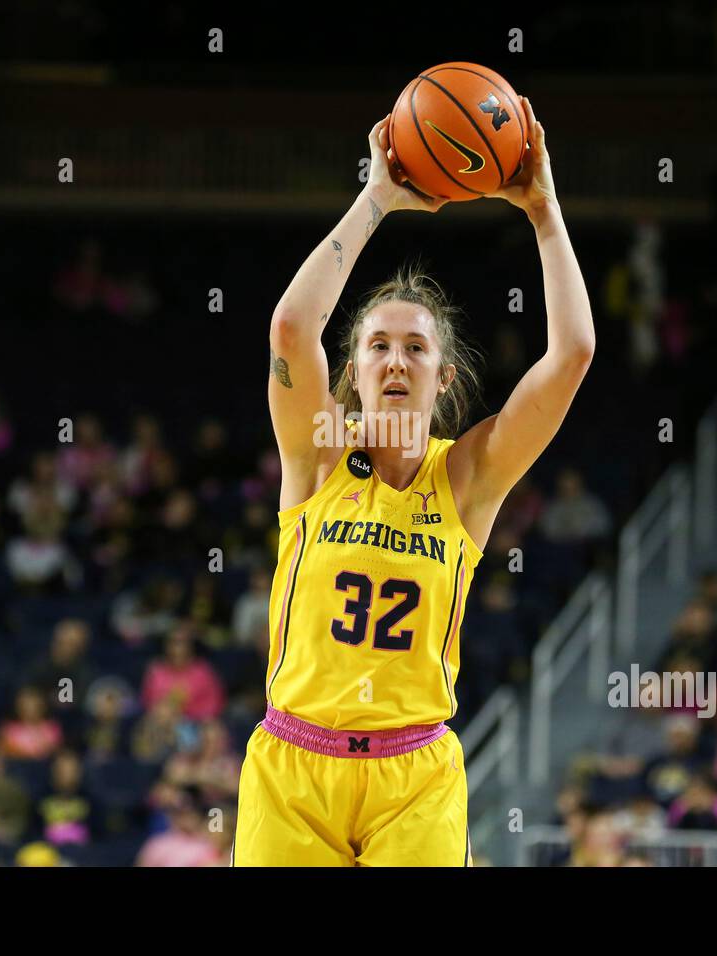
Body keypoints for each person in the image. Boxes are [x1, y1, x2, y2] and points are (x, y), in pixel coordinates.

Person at [237, 99, 595, 866]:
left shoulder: (468, 477)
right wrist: (377, 198)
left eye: (415, 348)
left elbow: (571, 356)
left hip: (415, 775)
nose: (396, 361)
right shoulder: (317, 453)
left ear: (444, 377)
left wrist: (544, 212)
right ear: (355, 375)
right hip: (293, 767)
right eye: (377, 346)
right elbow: (290, 331)